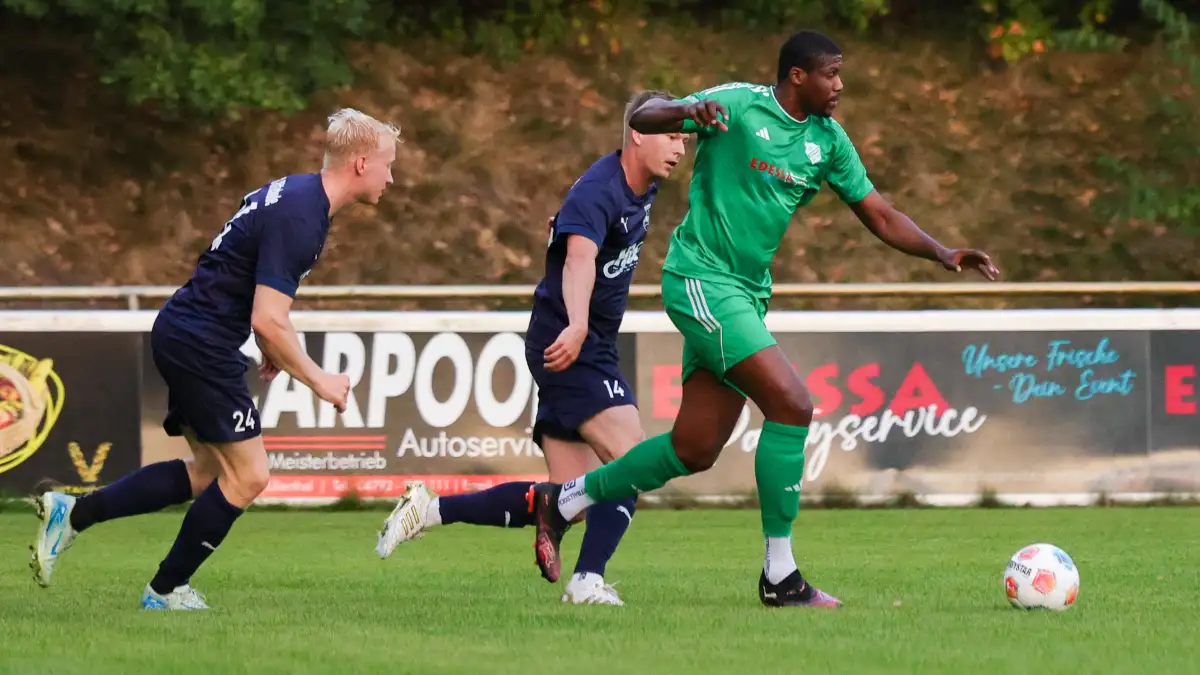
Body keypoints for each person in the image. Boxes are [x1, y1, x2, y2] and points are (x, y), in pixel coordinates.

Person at [526, 30, 1001, 607]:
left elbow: (878, 213)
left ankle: (567, 498)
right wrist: (684, 109)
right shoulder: (738, 106)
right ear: (798, 76)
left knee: (692, 449)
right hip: (701, 280)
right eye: (831, 74)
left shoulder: (828, 141)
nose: (840, 85)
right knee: (793, 404)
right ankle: (781, 576)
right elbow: (648, 117)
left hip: (747, 295)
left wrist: (943, 251)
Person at [28, 108, 401, 610]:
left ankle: (72, 515)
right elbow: (270, 319)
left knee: (207, 471)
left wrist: (269, 344)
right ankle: (164, 591)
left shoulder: (296, 193)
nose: (391, 177)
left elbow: (245, 288)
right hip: (200, 341)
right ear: (360, 163)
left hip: (191, 331)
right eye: (387, 164)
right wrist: (320, 380)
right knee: (250, 476)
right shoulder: (302, 216)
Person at [374, 90, 687, 606]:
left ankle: (427, 509)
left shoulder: (641, 185)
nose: (680, 148)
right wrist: (580, 324)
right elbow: (579, 261)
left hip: (582, 343)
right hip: (571, 345)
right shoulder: (601, 191)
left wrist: (561, 228)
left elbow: (574, 238)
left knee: (571, 500)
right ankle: (587, 582)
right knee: (631, 463)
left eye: (684, 138)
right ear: (637, 133)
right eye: (671, 136)